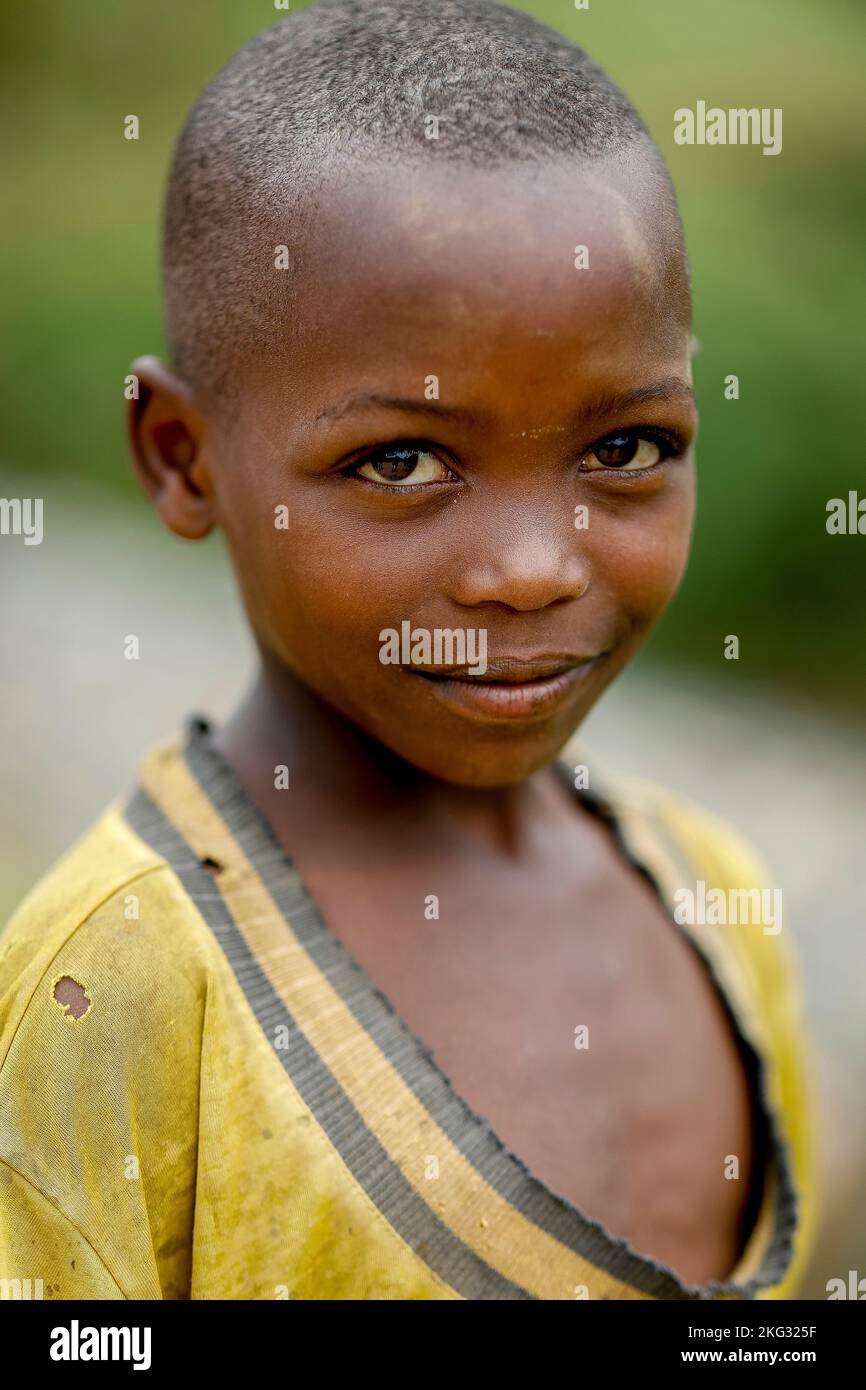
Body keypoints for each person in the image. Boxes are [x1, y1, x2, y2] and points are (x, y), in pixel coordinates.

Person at [0, 0, 817, 1300]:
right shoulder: (120, 989)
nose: (535, 567)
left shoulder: (711, 898)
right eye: (399, 461)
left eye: (624, 449)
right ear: (182, 458)